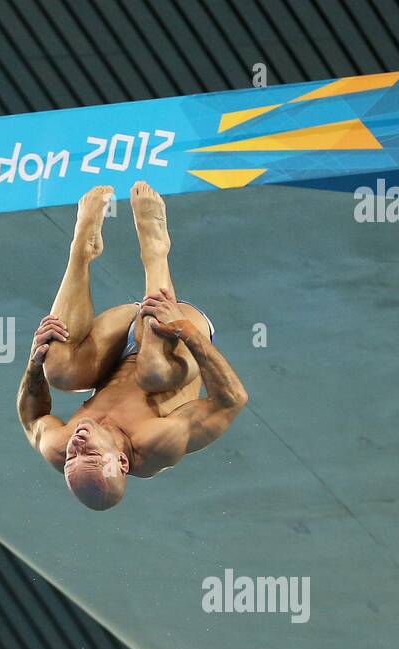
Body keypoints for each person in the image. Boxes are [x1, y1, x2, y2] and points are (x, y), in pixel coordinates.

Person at [17, 182, 248, 510]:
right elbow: (231, 401)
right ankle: (155, 248)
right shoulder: (157, 444)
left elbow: (32, 418)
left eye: (72, 454)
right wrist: (185, 330)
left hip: (117, 340)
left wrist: (33, 365)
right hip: (178, 342)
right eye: (91, 453)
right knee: (153, 374)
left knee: (56, 369)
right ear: (122, 463)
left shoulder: (58, 445)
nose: (78, 442)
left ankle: (81, 249)